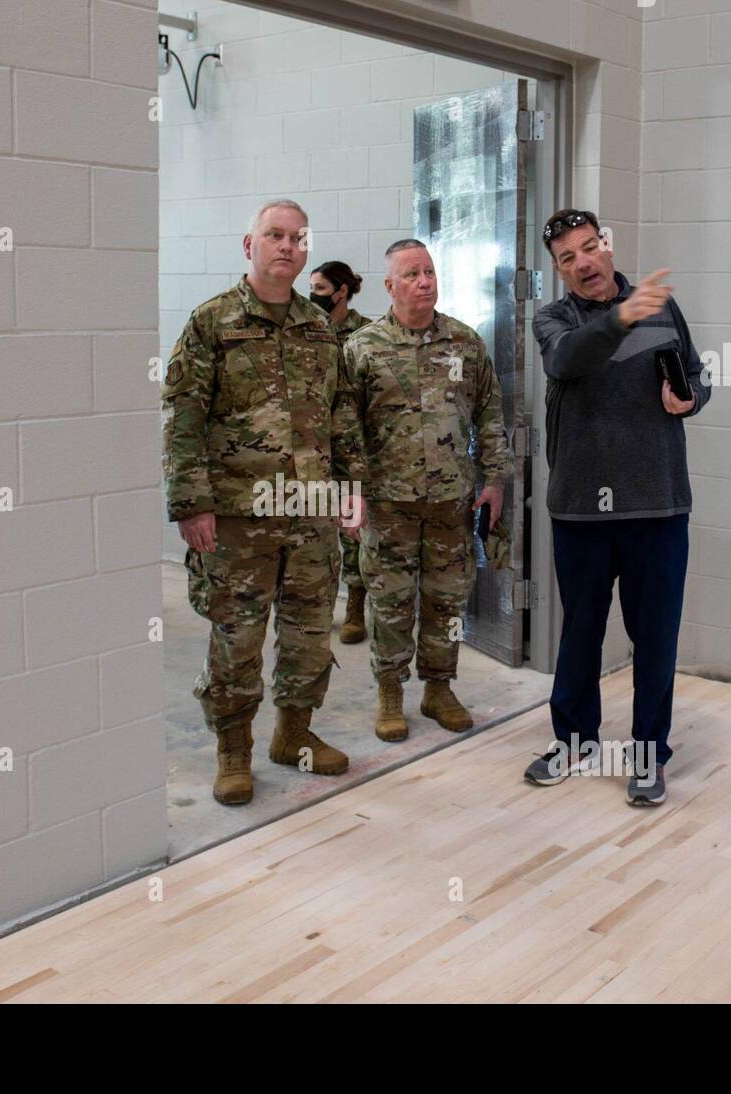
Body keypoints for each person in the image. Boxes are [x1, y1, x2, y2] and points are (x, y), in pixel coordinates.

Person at [161, 199, 367, 806]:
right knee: (237, 638)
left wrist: (351, 491)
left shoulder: (320, 327)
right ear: (248, 246)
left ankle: (294, 736)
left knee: (307, 634)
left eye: (297, 238)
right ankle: (233, 751)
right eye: (273, 236)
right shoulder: (213, 323)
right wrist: (191, 504)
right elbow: (183, 418)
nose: (286, 247)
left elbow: (341, 417)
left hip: (310, 516)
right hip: (236, 517)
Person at [526, 209, 711, 806]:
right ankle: (575, 740)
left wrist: (690, 399)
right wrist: (622, 316)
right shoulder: (553, 319)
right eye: (566, 259)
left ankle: (647, 754)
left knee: (654, 636)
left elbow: (697, 374)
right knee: (579, 634)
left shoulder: (661, 305)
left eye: (589, 248)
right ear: (559, 271)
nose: (582, 263)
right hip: (580, 511)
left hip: (657, 505)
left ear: (606, 247)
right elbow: (568, 360)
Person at [344, 239, 511, 742]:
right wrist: (349, 491)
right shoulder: (362, 349)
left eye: (430, 272)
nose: (424, 281)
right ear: (390, 285)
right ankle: (390, 693)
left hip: (451, 501)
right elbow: (344, 427)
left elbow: (490, 412)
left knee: (446, 601)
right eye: (412, 274)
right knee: (391, 602)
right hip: (387, 504)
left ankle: (439, 688)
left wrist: (495, 480)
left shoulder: (463, 342)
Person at [309, 260, 372, 645]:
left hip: (351, 442)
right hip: (314, 444)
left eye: (319, 288)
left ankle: (355, 608)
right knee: (314, 531)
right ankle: (318, 607)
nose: (312, 295)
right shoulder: (306, 329)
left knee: (352, 531)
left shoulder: (364, 333)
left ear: (342, 291)